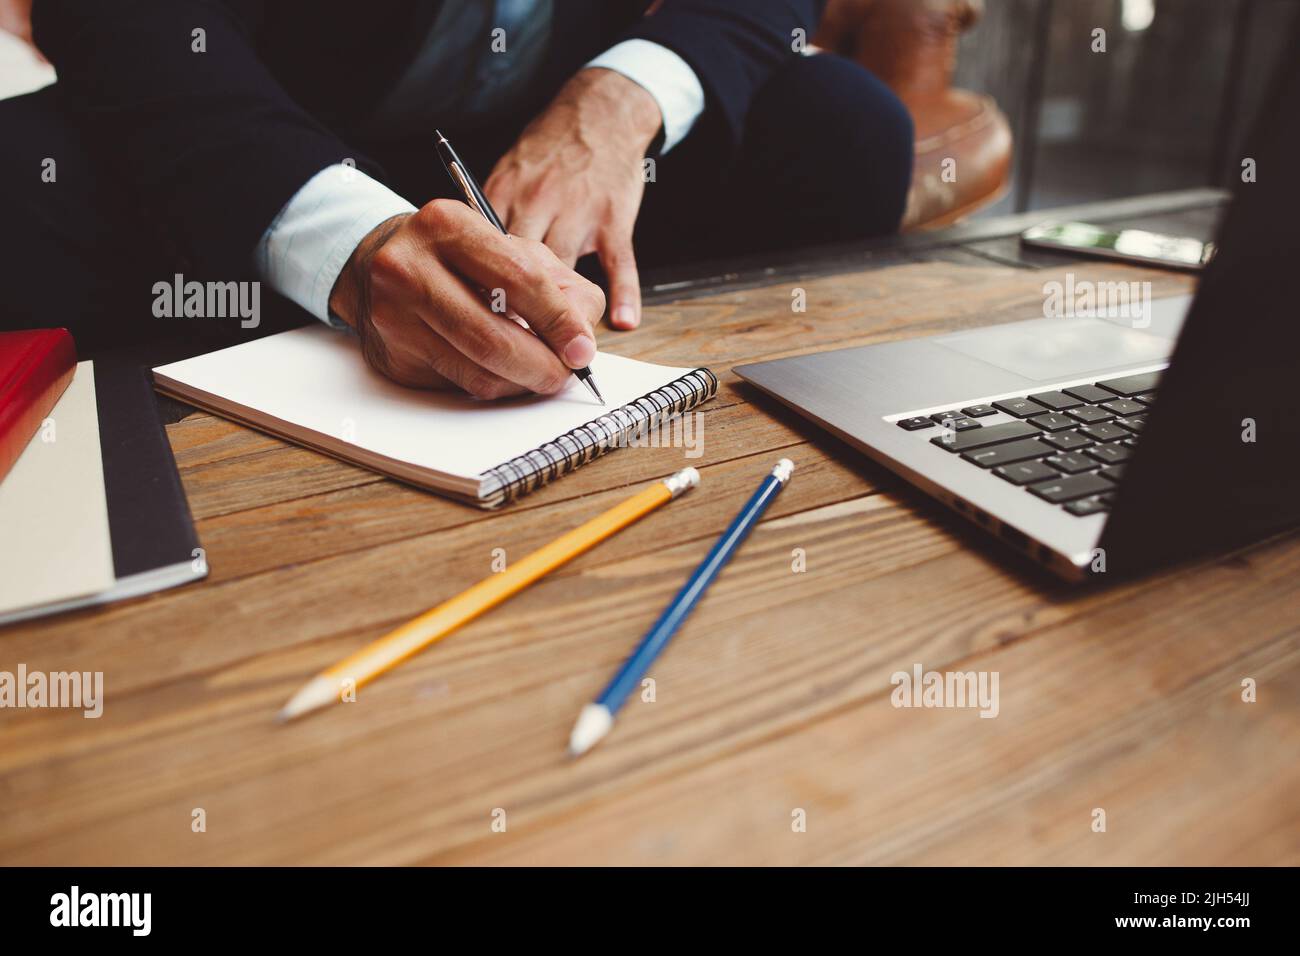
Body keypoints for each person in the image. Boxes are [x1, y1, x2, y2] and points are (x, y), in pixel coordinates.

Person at [4, 0, 913, 397]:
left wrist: (620, 101)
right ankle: (327, 301)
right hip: (262, 121)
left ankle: (522, 289)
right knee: (21, 189)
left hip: (539, 125)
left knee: (848, 130)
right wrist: (348, 243)